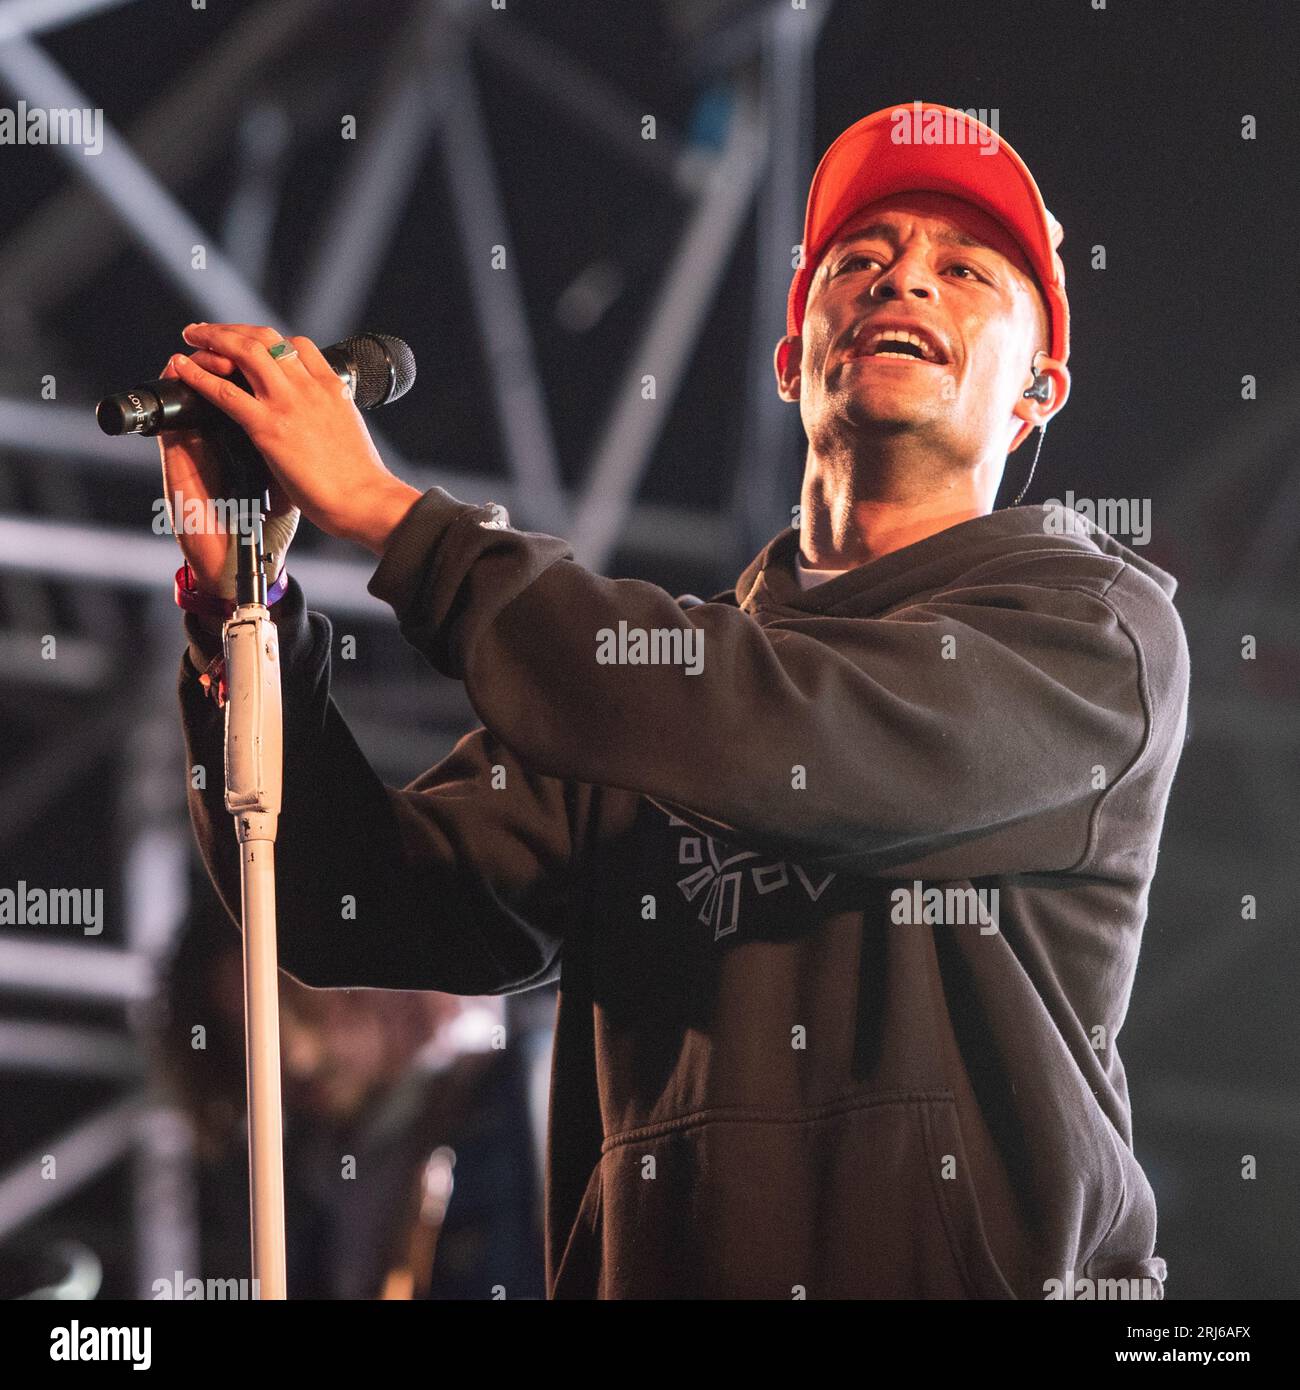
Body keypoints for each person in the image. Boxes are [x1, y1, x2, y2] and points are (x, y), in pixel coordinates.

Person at [163, 102, 1189, 1299]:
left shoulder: (1088, 629)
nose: (902, 279)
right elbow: (345, 903)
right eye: (857, 260)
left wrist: (396, 520)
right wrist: (241, 612)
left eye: (963, 269)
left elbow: (783, 733)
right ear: (790, 359)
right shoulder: (649, 705)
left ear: (1036, 393)